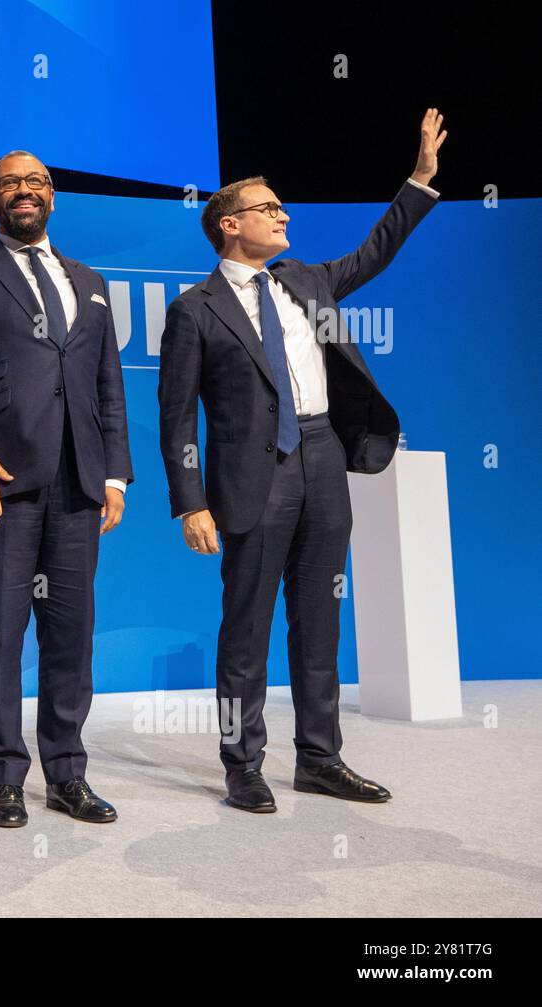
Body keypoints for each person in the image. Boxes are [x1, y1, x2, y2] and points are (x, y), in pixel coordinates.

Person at [157, 110, 448, 813]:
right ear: (229, 223)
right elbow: (177, 417)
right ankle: (242, 766)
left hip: (322, 457)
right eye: (268, 207)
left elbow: (374, 251)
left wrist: (418, 181)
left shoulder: (306, 281)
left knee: (320, 619)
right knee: (246, 626)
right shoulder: (195, 310)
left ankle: (320, 757)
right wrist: (190, 500)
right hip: (253, 475)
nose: (283, 214)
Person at [0, 151, 133, 828]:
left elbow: (107, 386)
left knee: (72, 636)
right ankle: (5, 778)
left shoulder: (91, 282)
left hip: (77, 489)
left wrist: (114, 472)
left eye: (35, 181)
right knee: (2, 636)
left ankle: (67, 774)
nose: (22, 191)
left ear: (52, 197)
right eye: (8, 183)